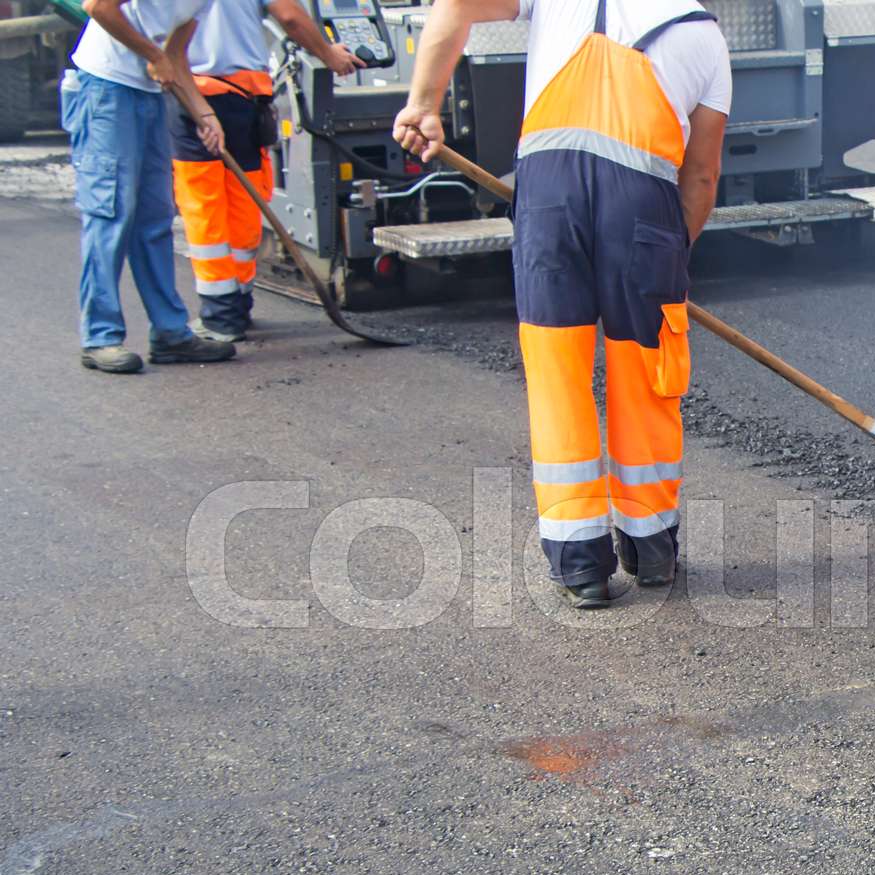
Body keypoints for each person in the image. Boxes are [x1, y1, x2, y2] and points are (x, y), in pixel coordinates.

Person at [394, 0, 730, 608]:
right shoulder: (706, 38)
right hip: (645, 214)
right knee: (646, 379)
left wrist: (423, 105)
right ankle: (652, 552)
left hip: (547, 204)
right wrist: (668, 253)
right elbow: (701, 178)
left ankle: (581, 567)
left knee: (558, 379)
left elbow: (454, 6)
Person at [172, 0, 363, 342]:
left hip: (193, 92)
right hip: (245, 96)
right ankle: (238, 303)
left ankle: (220, 317)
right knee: (244, 200)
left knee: (204, 206)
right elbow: (289, 16)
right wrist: (328, 53)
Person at [68, 0, 238, 373]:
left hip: (148, 95)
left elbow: (174, 55)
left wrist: (204, 115)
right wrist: (152, 55)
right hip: (105, 88)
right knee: (110, 215)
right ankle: (100, 338)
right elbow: (97, 6)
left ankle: (170, 333)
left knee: (155, 219)